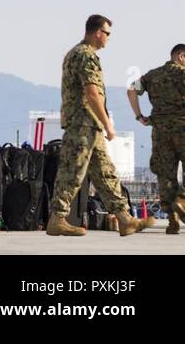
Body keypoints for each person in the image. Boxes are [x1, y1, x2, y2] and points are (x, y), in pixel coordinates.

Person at [47, 15, 150, 237]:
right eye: (108, 33)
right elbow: (92, 93)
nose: (109, 39)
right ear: (97, 32)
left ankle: (124, 218)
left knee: (105, 172)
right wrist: (107, 123)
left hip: (88, 125)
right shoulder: (85, 56)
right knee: (72, 172)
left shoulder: (75, 53)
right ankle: (57, 218)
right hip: (83, 124)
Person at [128, 43, 185, 234]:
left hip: (160, 131)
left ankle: (172, 219)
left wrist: (139, 116)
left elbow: (131, 90)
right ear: (181, 56)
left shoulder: (151, 75)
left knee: (165, 175)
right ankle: (182, 202)